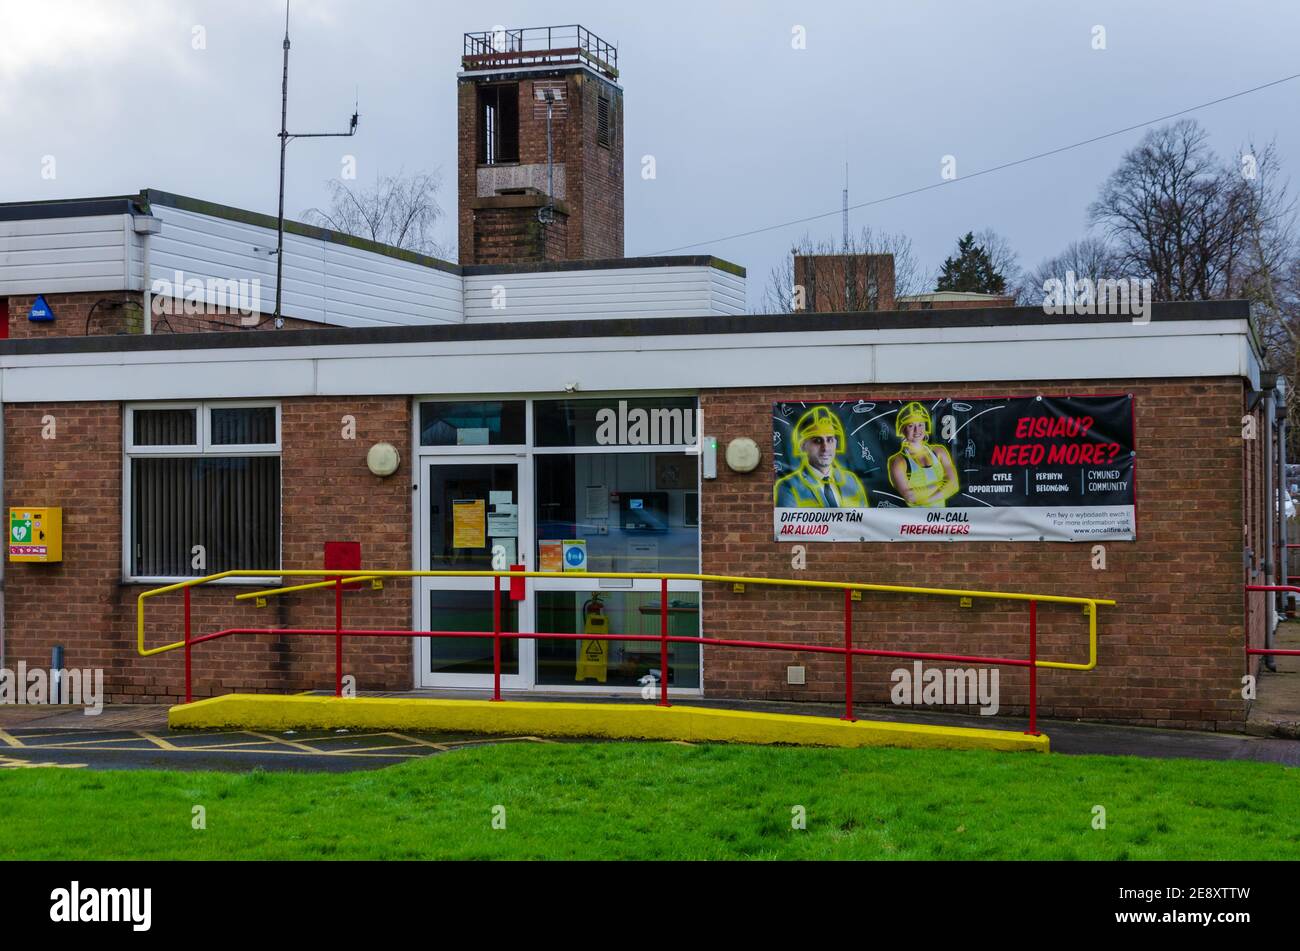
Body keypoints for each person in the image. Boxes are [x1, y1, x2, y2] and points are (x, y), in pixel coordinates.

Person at [774, 405, 870, 508]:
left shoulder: (851, 480)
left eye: (830, 440)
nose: (825, 448)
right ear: (803, 446)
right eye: (817, 441)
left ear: (836, 443)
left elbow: (864, 518)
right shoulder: (789, 486)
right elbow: (788, 522)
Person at [887, 401, 960, 507]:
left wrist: (925, 498)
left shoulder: (939, 452)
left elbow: (954, 485)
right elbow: (910, 497)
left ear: (926, 427)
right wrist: (942, 484)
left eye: (921, 424)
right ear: (902, 429)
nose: (917, 430)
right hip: (915, 522)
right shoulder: (898, 461)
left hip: (940, 521)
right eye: (911, 426)